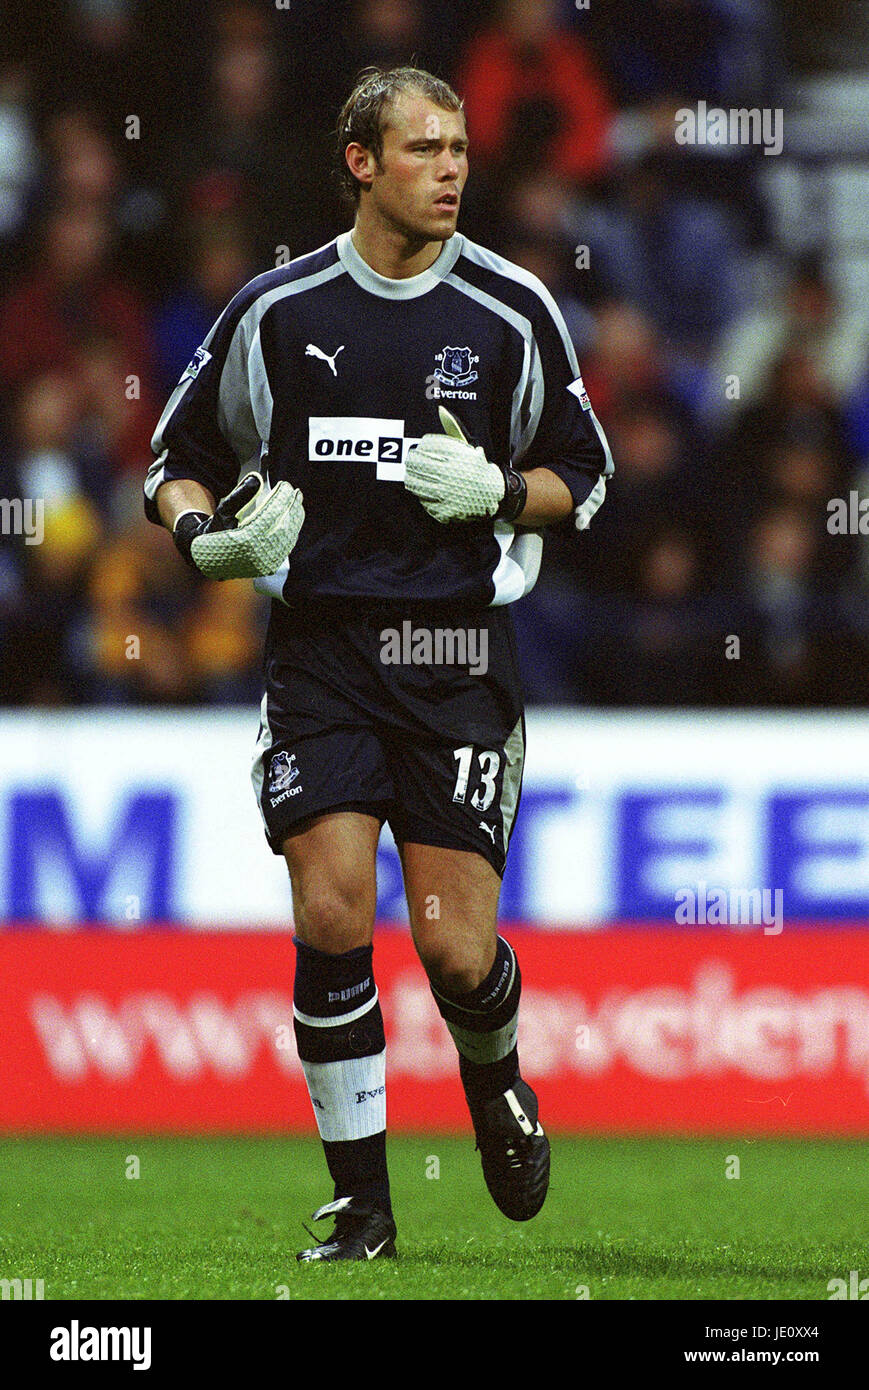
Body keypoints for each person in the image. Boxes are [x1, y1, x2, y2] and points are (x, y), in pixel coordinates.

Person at [143, 65, 612, 1262]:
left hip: (453, 652)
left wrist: (502, 490)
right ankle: (362, 1209)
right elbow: (172, 460)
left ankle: (494, 1070)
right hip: (324, 650)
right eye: (423, 149)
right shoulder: (277, 312)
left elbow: (589, 473)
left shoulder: (509, 311)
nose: (451, 168)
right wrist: (210, 538)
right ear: (360, 162)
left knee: (454, 947)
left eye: (458, 148)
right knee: (332, 907)